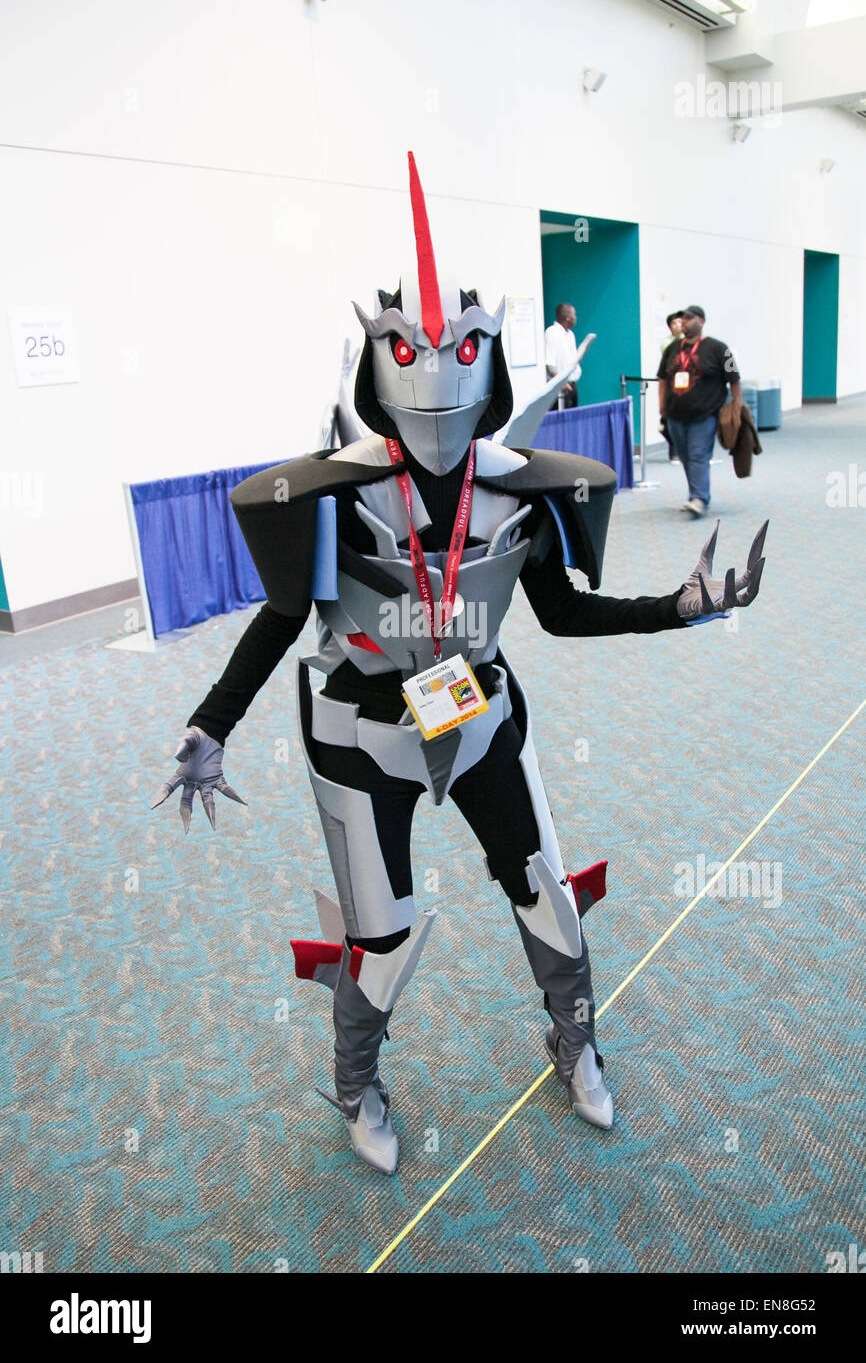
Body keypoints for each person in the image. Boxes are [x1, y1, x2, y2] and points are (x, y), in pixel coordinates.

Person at [152, 157, 768, 1176]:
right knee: (382, 937)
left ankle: (572, 1040)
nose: (434, 371)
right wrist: (210, 720)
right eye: (408, 348)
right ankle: (355, 1079)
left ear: (488, 363)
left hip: (479, 711)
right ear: (377, 361)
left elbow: (561, 614)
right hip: (359, 731)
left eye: (460, 348)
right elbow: (282, 614)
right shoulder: (330, 492)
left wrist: (678, 605)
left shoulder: (521, 488)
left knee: (542, 888)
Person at [657, 304, 742, 516]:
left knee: (698, 454)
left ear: (701, 321)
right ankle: (696, 494)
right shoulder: (672, 349)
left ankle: (699, 499)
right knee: (685, 456)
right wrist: (662, 407)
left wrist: (736, 406)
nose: (683, 322)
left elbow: (734, 379)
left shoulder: (720, 348)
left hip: (705, 414)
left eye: (689, 318)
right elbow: (663, 379)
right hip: (675, 413)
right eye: (681, 319)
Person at [659, 311, 685, 460]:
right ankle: (673, 452)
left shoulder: (688, 341)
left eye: (680, 323)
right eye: (674, 323)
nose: (678, 326)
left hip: (687, 385)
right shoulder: (667, 343)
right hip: (671, 383)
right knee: (670, 419)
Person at [545, 302, 579, 408]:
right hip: (560, 388)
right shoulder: (552, 332)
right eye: (574, 314)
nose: (575, 317)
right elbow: (549, 364)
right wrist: (561, 383)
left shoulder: (570, 335)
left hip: (572, 385)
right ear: (567, 317)